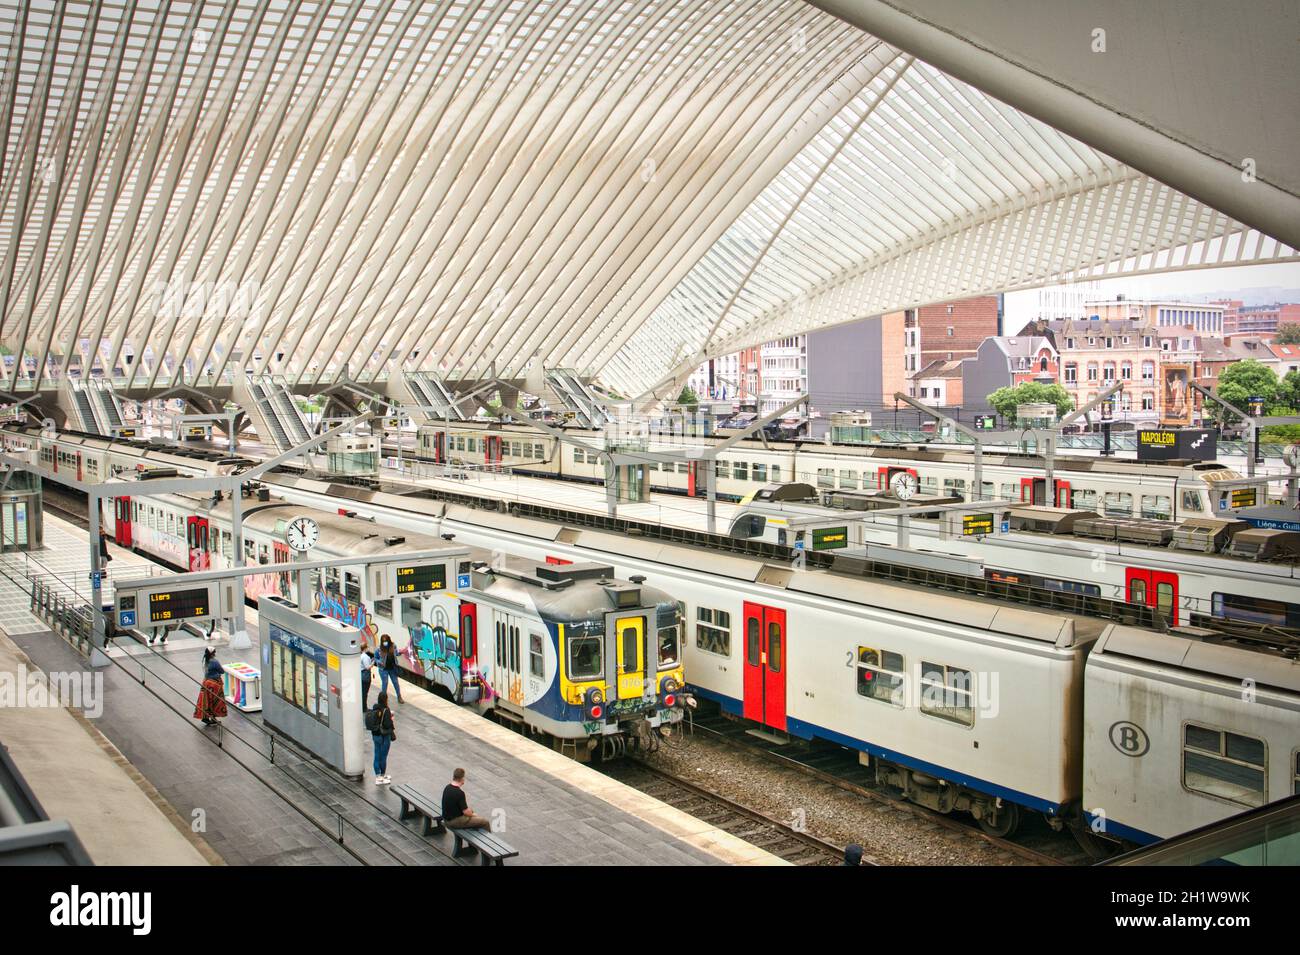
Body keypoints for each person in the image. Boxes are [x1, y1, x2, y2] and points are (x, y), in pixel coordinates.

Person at [442, 767, 491, 832]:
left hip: (446, 819)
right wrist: (473, 814)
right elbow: (466, 812)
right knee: (485, 822)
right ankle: (487, 841)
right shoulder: (460, 793)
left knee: (472, 814)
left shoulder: (447, 787)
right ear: (462, 779)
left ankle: (473, 840)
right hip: (453, 822)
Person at [193, 648, 228, 727]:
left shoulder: (205, 660)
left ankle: (207, 717)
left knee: (206, 701)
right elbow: (221, 671)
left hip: (206, 682)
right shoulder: (214, 661)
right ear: (213, 653)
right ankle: (213, 718)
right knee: (215, 701)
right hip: (214, 684)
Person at [367, 691, 395, 785]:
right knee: (383, 756)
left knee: (376, 755)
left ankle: (378, 775)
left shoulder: (375, 708)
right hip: (384, 736)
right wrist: (391, 719)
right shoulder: (386, 710)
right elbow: (387, 724)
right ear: (386, 699)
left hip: (375, 735)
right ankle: (381, 776)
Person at [376, 634, 403, 704]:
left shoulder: (393, 646)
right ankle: (383, 700)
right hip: (383, 669)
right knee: (385, 683)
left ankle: (399, 696)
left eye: (386, 641)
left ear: (389, 640)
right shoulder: (379, 649)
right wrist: (379, 662)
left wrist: (401, 652)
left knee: (395, 682)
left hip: (392, 668)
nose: (385, 642)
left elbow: (396, 653)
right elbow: (375, 657)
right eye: (383, 641)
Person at [359, 641, 374, 711]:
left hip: (361, 674)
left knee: (363, 692)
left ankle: (363, 706)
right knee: (365, 692)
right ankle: (364, 708)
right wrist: (373, 663)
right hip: (365, 675)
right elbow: (367, 667)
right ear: (365, 648)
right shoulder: (365, 657)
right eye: (367, 647)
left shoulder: (360, 655)